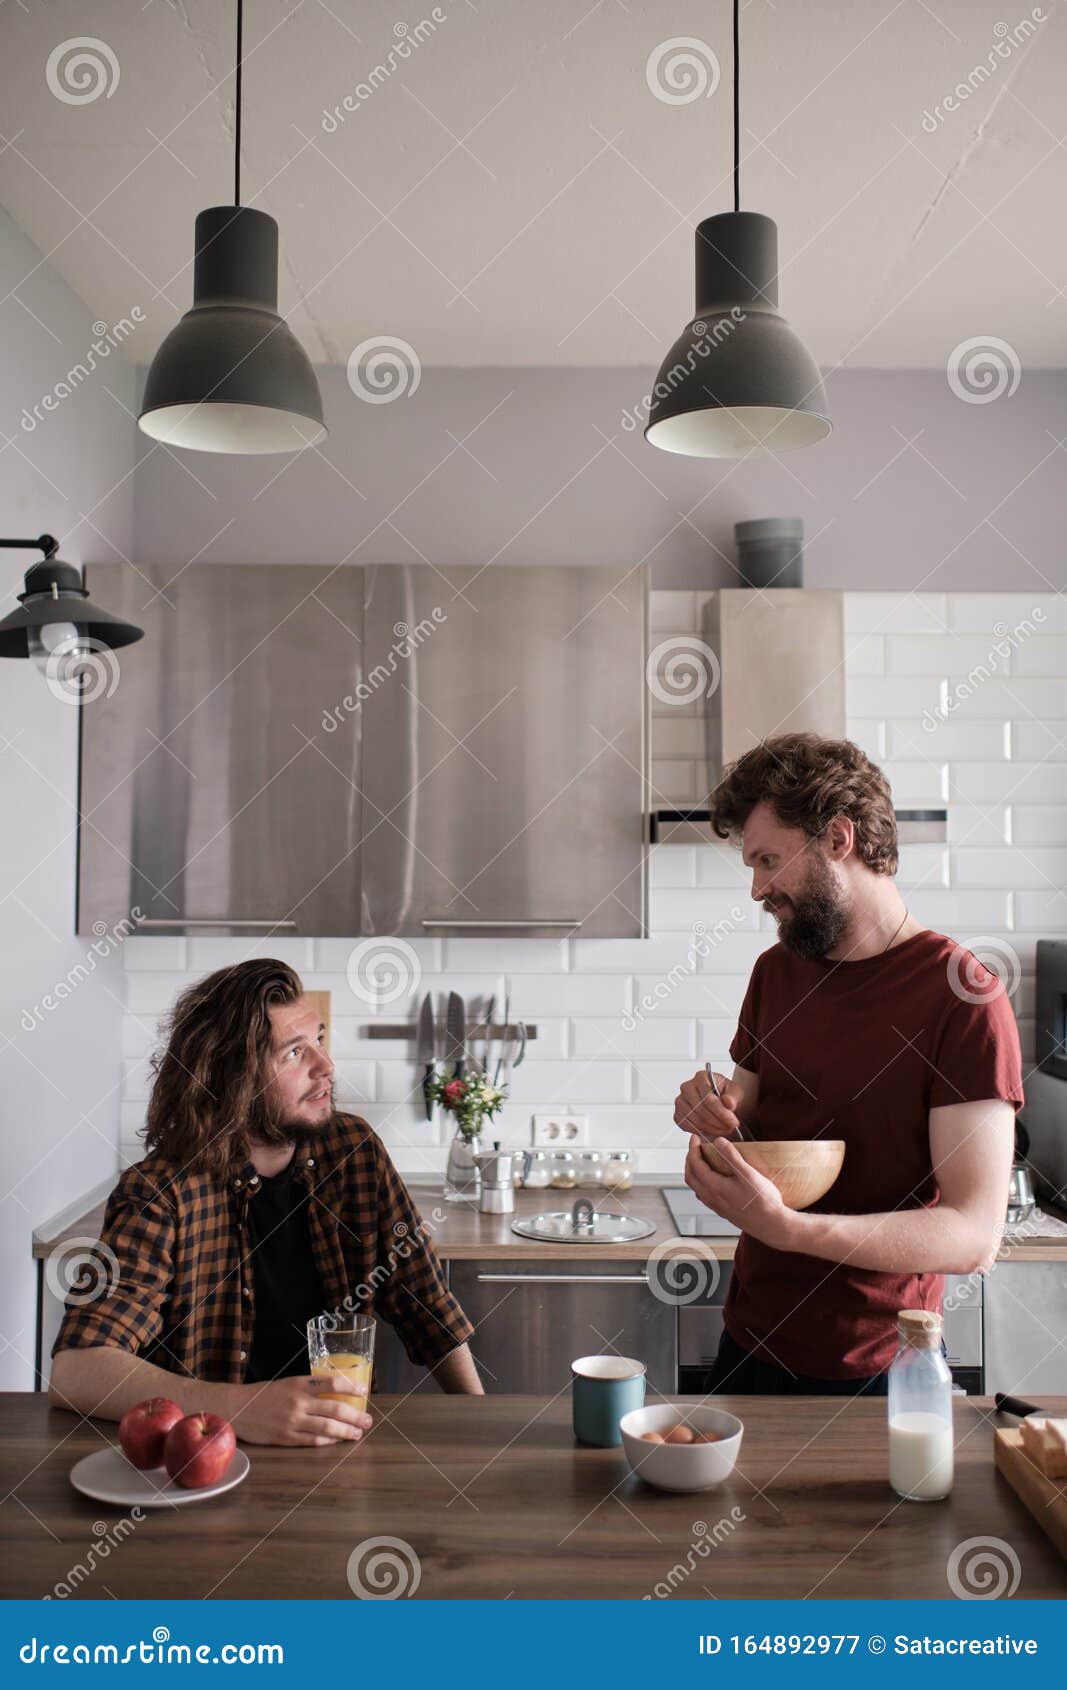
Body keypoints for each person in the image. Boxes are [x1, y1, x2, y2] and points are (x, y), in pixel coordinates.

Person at [674, 733, 1022, 1396]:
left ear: (838, 838)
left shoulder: (962, 997)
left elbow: (972, 1236)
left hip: (881, 1367)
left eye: (768, 860)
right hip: (749, 1343)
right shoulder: (776, 972)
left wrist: (790, 1231)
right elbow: (747, 1131)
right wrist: (711, 1109)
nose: (757, 889)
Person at [50, 959, 482, 1444]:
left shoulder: (354, 1151)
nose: (326, 1066)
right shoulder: (160, 1192)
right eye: (294, 1053)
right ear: (232, 1076)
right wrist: (239, 1408)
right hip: (206, 1456)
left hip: (342, 1439)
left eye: (319, 1039)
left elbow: (426, 1305)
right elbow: (76, 1371)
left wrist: (484, 1428)